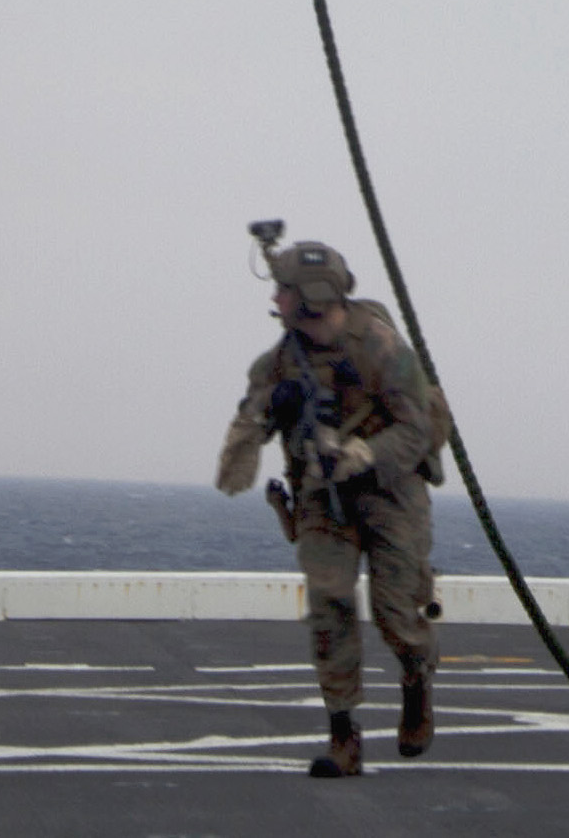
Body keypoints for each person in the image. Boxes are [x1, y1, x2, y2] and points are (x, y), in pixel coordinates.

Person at [216, 226, 448, 777]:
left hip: (391, 491)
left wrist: (364, 453)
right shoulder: (279, 363)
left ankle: (416, 681)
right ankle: (343, 732)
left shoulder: (383, 349)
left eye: (285, 290)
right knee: (330, 604)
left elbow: (416, 431)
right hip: (322, 496)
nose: (275, 300)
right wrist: (259, 423)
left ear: (312, 295)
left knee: (397, 612)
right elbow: (249, 420)